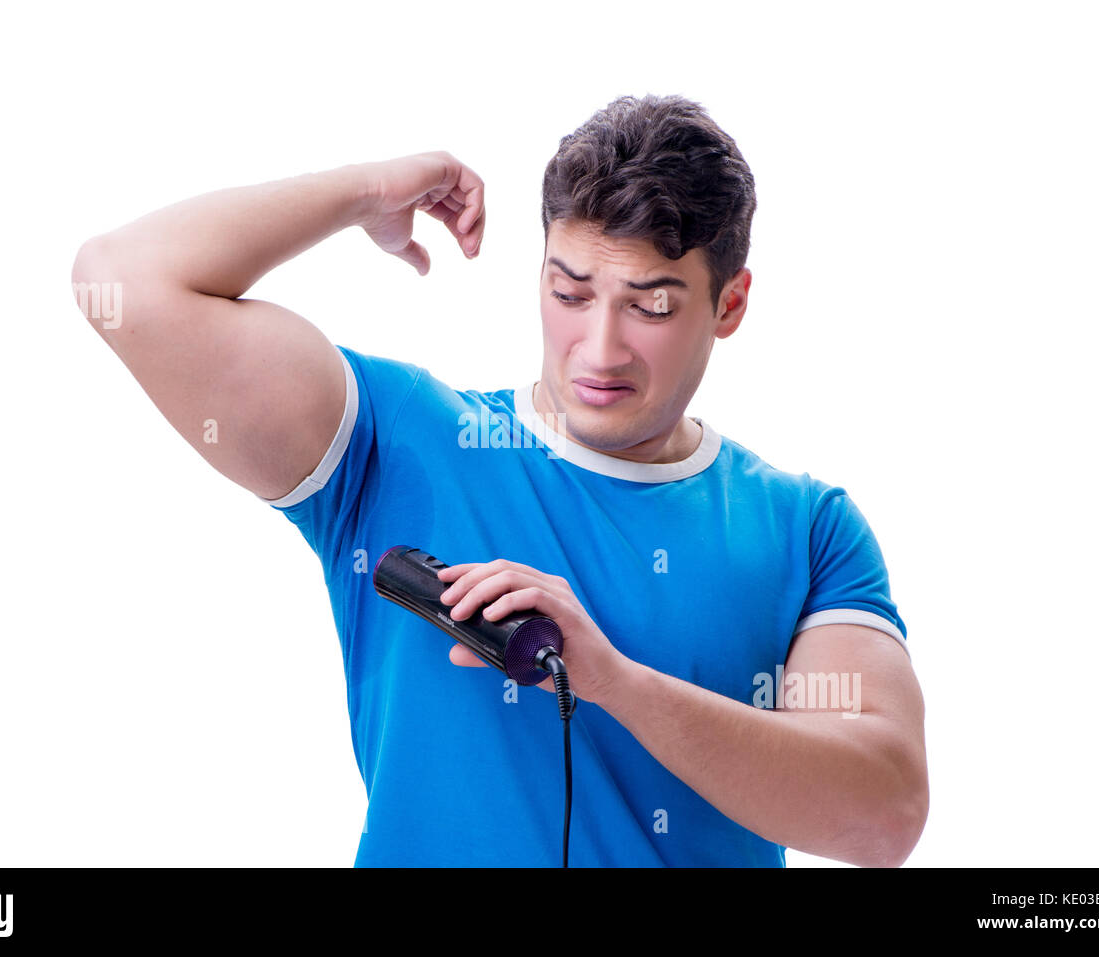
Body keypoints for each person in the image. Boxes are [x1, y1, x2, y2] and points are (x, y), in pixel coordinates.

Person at [71, 93, 928, 867]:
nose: (600, 348)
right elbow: (120, 282)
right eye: (571, 290)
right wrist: (364, 191)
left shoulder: (806, 528)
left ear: (730, 304)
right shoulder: (400, 438)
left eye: (653, 305)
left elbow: (884, 814)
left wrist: (613, 680)